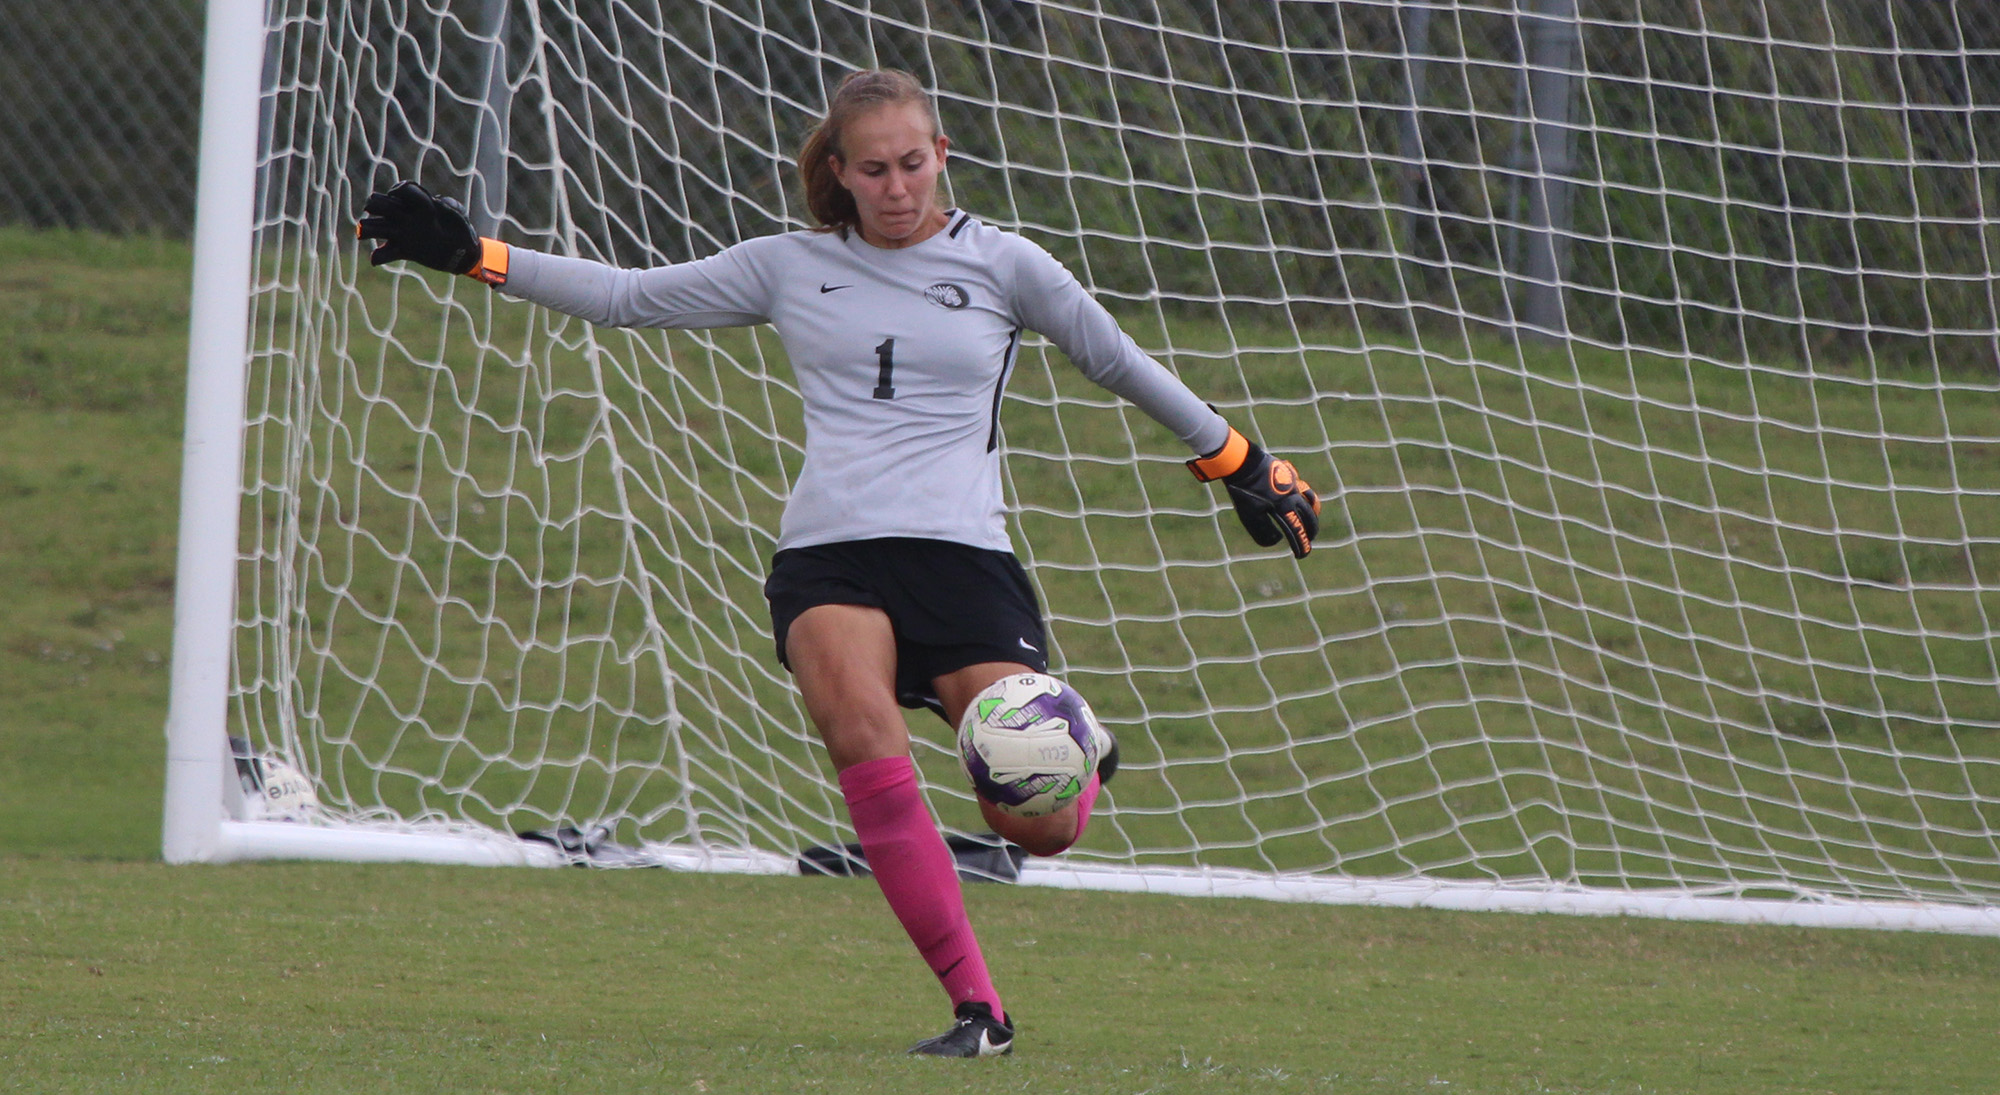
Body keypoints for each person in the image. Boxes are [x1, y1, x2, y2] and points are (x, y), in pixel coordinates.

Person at [358, 68, 1319, 1058]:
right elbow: (629, 299)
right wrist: (474, 255)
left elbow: (1114, 359)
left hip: (960, 559)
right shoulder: (785, 266)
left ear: (940, 156)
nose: (897, 186)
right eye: (874, 169)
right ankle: (977, 1012)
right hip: (829, 555)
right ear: (840, 173)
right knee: (863, 738)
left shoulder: (1006, 263)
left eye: (912, 163)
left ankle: (1079, 751)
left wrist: (1238, 461)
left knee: (1039, 825)